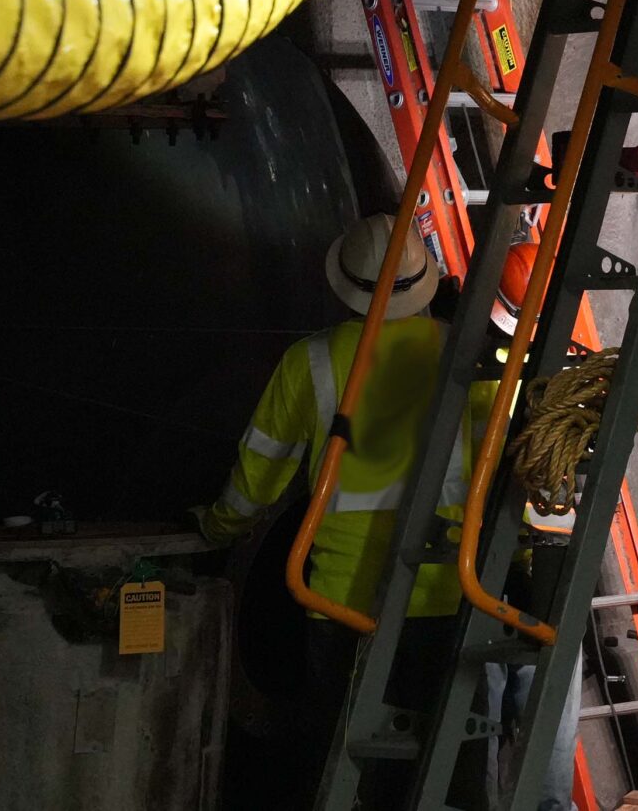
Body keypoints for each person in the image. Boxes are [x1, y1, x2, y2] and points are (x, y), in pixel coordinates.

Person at [195, 214, 492, 808]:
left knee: (345, 771)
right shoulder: (469, 356)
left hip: (339, 600)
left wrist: (213, 528)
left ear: (346, 284)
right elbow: (504, 460)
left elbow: (257, 475)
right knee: (451, 773)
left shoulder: (310, 361)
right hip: (447, 595)